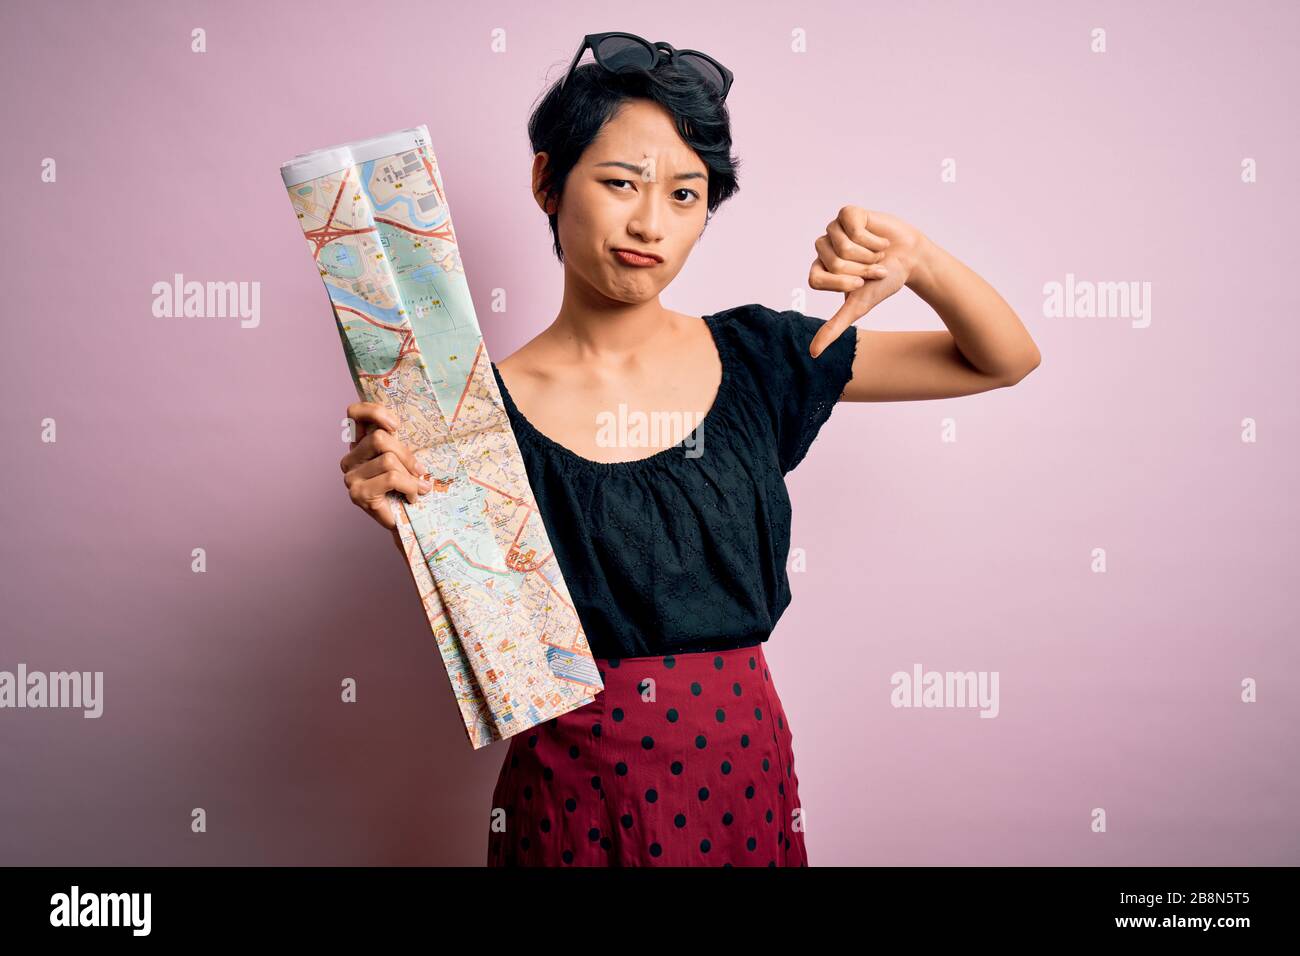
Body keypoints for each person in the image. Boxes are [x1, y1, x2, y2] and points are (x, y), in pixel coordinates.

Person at [337, 33, 1040, 867]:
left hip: (742, 773)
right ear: (546, 182)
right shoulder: (467, 415)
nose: (649, 223)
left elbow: (1003, 358)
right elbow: (499, 636)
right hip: (571, 793)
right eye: (620, 182)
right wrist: (411, 521)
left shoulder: (765, 356)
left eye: (685, 194)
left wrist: (917, 258)